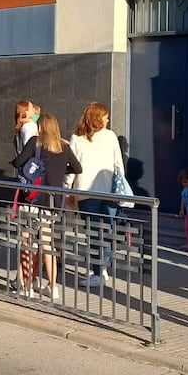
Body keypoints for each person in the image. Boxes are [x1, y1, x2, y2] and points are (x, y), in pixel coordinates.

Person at [12, 113, 81, 300]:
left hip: (33, 200)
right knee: (48, 244)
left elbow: (18, 163)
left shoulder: (35, 142)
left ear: (40, 127)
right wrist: (59, 171)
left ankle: (26, 287)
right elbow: (78, 168)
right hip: (53, 203)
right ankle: (53, 287)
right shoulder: (63, 146)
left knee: (27, 242)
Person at [67, 101, 126, 286]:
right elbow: (119, 164)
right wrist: (120, 187)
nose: (108, 119)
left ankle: (98, 272)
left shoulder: (76, 137)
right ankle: (102, 270)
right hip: (109, 191)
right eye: (105, 115)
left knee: (93, 233)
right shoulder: (110, 136)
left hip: (85, 191)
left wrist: (67, 188)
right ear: (97, 117)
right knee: (106, 231)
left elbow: (71, 167)